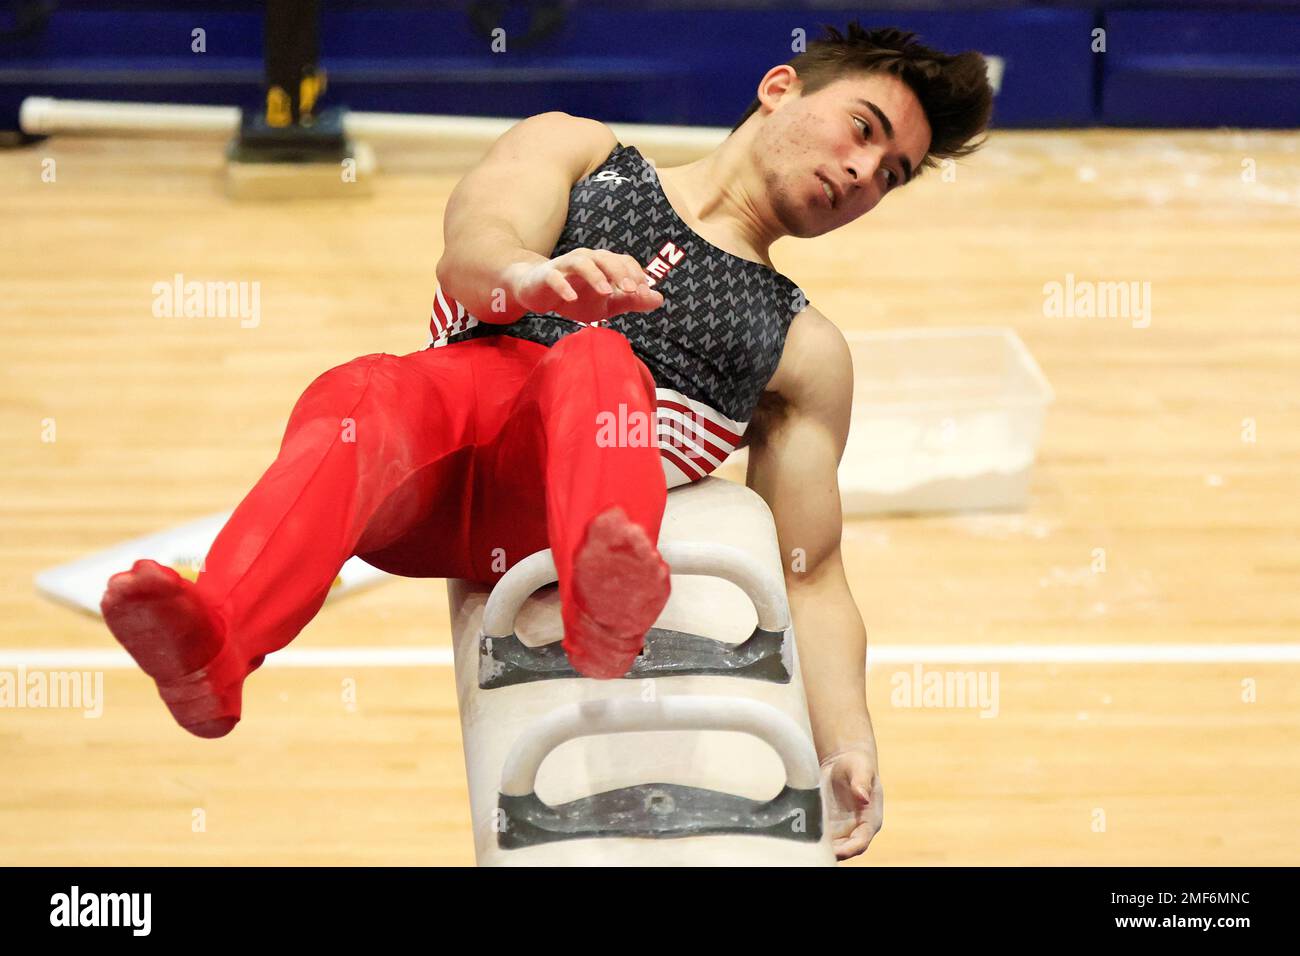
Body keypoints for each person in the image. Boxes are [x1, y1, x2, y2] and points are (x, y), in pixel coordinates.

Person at [101, 22, 992, 859]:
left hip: (550, 510)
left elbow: (813, 570)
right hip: (430, 468)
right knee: (360, 391)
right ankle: (218, 643)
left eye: (893, 173)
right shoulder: (578, 149)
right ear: (778, 87)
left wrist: (846, 739)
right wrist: (534, 276)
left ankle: (606, 600)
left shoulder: (802, 349)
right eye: (863, 129)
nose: (864, 172)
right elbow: (473, 248)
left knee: (598, 365)